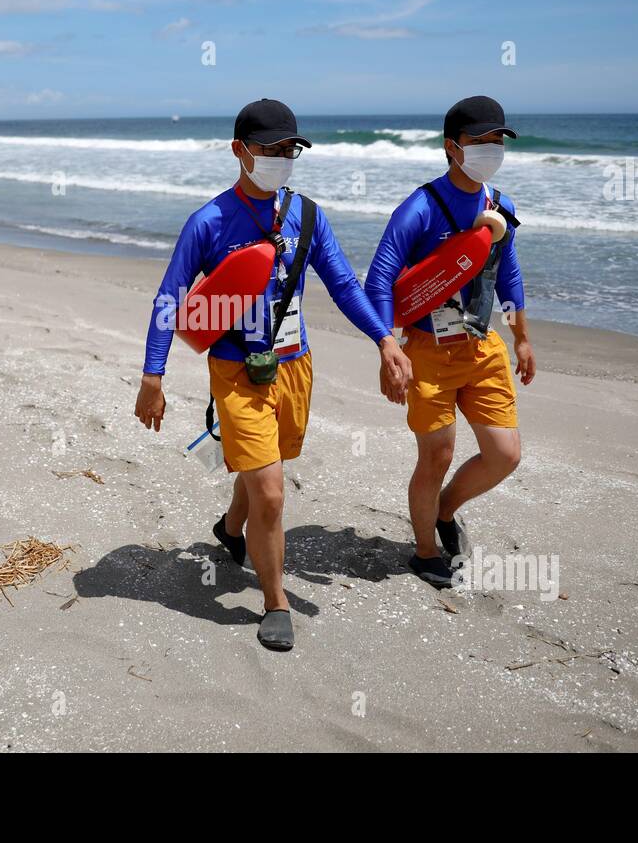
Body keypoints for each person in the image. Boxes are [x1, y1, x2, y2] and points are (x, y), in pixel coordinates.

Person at [135, 98, 413, 650]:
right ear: (240, 151)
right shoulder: (209, 222)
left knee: (265, 470)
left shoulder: (308, 217)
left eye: (291, 150)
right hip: (237, 371)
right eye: (270, 150)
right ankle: (275, 600)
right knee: (272, 491)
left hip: (295, 366)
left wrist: (384, 339)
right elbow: (171, 298)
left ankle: (229, 529)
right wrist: (153, 376)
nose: (282, 159)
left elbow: (344, 286)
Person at [364, 95, 536, 588]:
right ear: (451, 147)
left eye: (497, 141)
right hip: (427, 351)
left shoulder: (500, 206)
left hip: (482, 347)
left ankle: (443, 512)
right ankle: (423, 552)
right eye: (479, 141)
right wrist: (386, 347)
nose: (491, 149)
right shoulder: (420, 208)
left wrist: (522, 337)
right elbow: (379, 281)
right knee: (436, 455)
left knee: (505, 453)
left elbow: (510, 274)